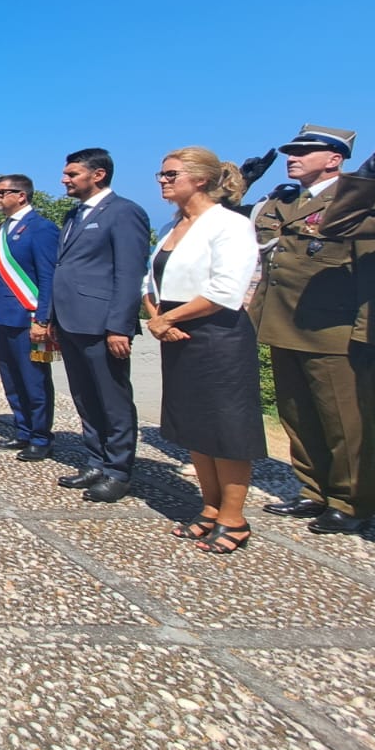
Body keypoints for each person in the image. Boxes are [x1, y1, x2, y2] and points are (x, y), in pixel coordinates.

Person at [252, 125, 375, 534]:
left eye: (305, 151)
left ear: (334, 159)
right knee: (298, 417)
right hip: (284, 324)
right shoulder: (285, 202)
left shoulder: (369, 205)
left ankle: (352, 502)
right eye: (291, 150)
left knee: (346, 425)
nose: (293, 157)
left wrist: (373, 335)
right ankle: (314, 489)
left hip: (336, 334)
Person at [143, 147, 262, 554]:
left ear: (201, 179)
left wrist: (168, 319)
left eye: (171, 174)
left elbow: (226, 289)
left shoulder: (229, 224)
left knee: (225, 426)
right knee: (195, 423)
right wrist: (157, 317)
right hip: (175, 329)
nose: (163, 181)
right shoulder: (172, 226)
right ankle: (210, 506)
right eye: (161, 174)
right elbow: (151, 282)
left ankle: (234, 517)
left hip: (217, 333)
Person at [50, 147, 152, 503]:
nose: (64, 180)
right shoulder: (73, 215)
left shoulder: (124, 212)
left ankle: (118, 470)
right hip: (71, 321)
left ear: (98, 175)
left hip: (101, 324)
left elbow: (129, 272)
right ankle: (95, 460)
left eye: (72, 174)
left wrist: (119, 326)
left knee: (112, 399)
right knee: (84, 396)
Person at [0, 175, 60, 461]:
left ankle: (41, 436)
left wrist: (43, 319)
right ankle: (23, 429)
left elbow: (48, 276)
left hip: (28, 318)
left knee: (33, 379)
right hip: (2, 316)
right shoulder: (0, 230)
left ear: (21, 195)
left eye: (1, 192)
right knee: (12, 378)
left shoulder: (41, 228)